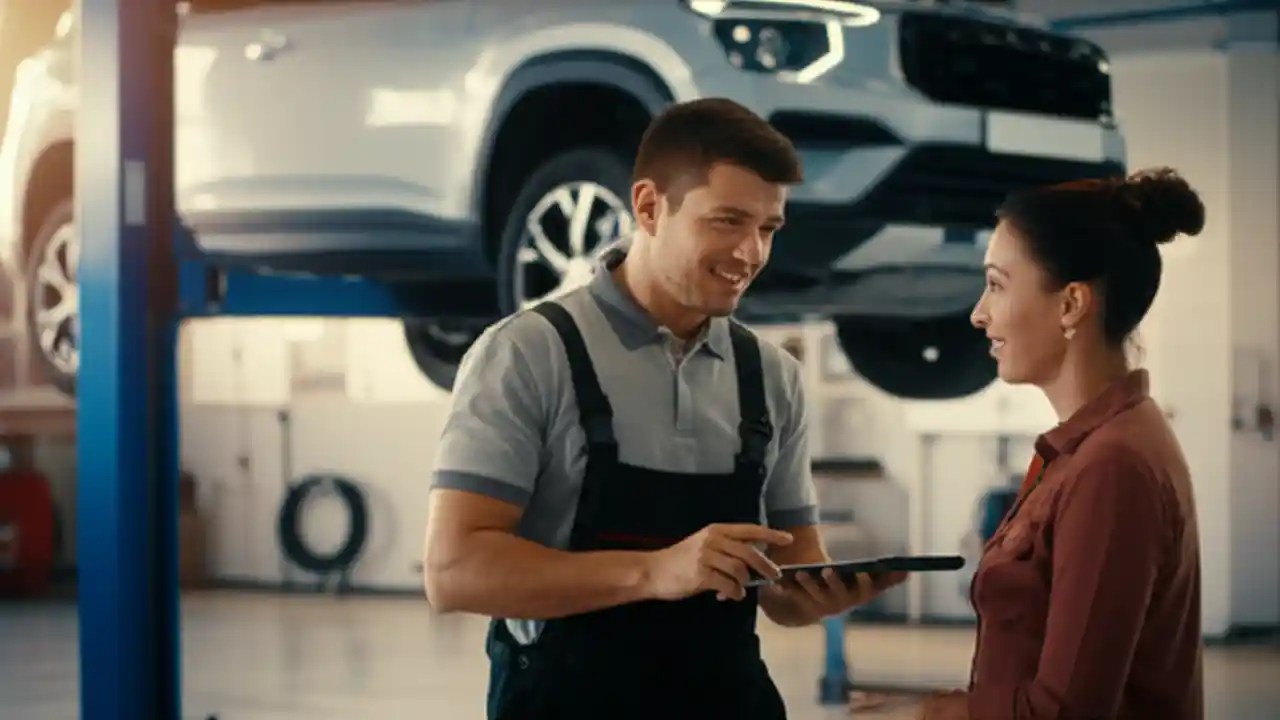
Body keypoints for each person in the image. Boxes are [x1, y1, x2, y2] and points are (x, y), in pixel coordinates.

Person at [422, 97, 903, 720]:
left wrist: (824, 593)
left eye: (768, 229)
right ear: (649, 207)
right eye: (727, 221)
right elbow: (454, 571)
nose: (751, 253)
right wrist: (654, 573)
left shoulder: (772, 377)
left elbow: (786, 587)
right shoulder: (529, 354)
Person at [915, 168, 1206, 720]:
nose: (979, 313)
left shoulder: (1112, 465)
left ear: (1072, 304)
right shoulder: (1094, 447)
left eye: (997, 284)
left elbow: (1065, 713)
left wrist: (925, 715)